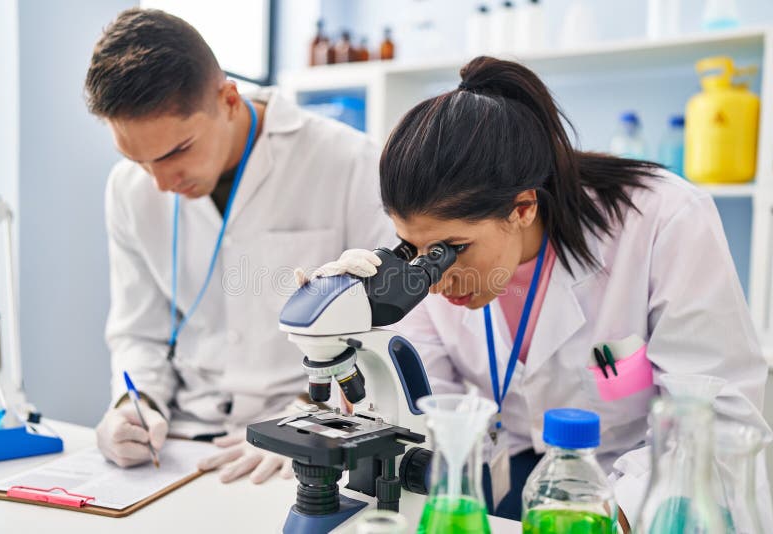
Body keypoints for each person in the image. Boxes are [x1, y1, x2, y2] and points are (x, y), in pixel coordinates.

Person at [305, 56, 772, 526]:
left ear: (523, 206)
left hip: (641, 491)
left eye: (452, 250)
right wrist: (361, 330)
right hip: (521, 474)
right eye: (415, 251)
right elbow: (429, 417)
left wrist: (605, 516)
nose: (435, 279)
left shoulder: (664, 222)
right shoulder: (429, 262)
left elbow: (718, 422)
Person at [84, 8, 391, 483]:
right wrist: (134, 404)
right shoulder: (128, 189)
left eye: (175, 152)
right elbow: (138, 333)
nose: (161, 182)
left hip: (306, 445)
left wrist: (314, 419)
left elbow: (388, 326)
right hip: (181, 444)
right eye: (138, 160)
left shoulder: (350, 162)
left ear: (229, 98)